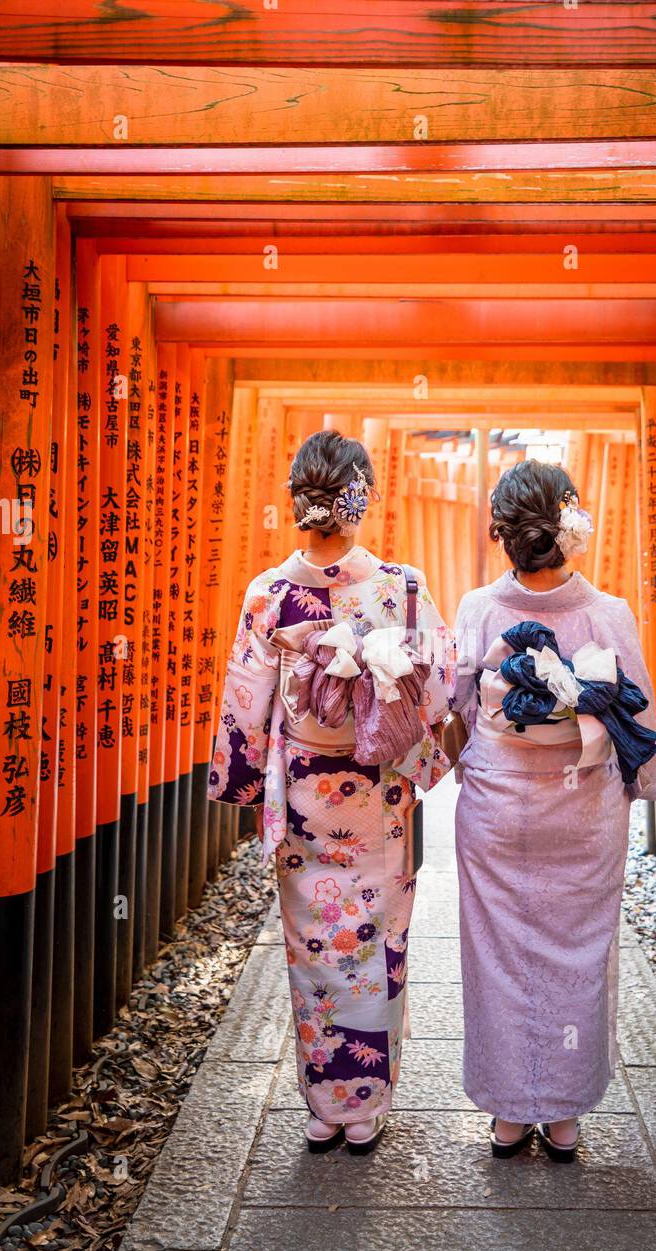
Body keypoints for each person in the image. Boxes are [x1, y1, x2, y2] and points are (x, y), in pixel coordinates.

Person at [209, 430, 456, 1154]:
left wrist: (246, 779)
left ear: (299, 501)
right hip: (378, 797)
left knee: (313, 943)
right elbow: (438, 692)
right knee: (378, 939)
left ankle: (325, 1103)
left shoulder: (269, 593)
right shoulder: (401, 589)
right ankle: (367, 1102)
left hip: (305, 799)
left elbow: (245, 704)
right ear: (362, 498)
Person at [452, 459, 656, 1160]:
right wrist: (643, 790)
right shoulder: (609, 615)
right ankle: (565, 1116)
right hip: (585, 810)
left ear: (504, 533)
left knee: (499, 949)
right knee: (579, 949)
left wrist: (459, 762)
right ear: (569, 527)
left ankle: (511, 1115)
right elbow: (640, 726)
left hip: (498, 806)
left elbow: (452, 709)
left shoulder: (480, 609)